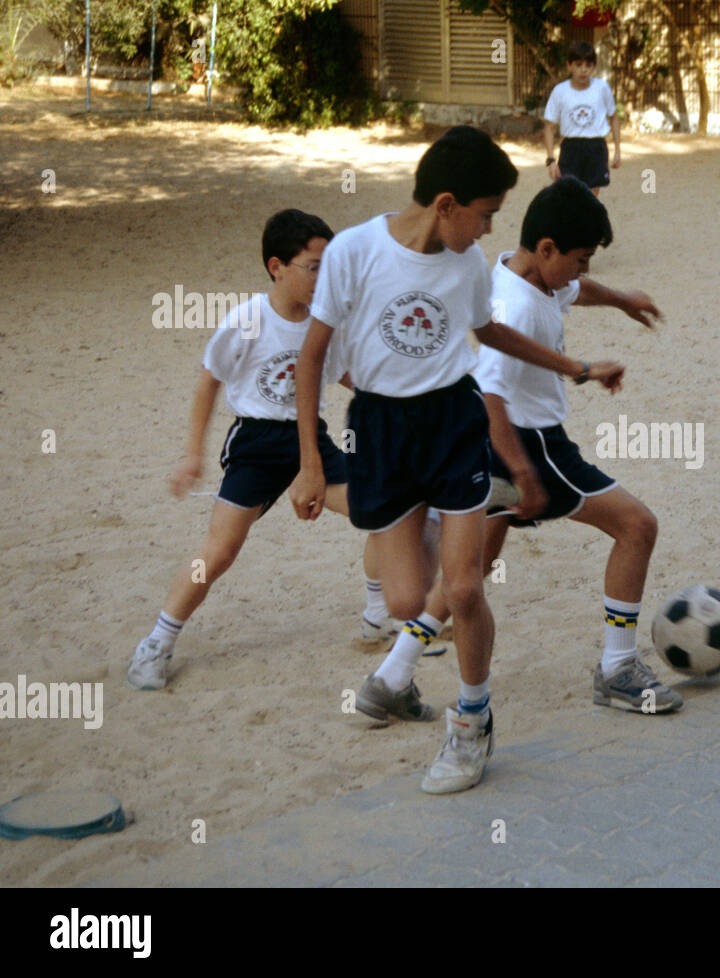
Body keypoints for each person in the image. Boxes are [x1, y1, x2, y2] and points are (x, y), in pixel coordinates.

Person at [289, 127, 624, 795]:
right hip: (382, 430)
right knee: (410, 601)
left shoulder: (470, 264)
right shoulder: (355, 251)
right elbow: (313, 358)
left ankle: (472, 722)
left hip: (452, 422)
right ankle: (402, 678)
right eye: (487, 213)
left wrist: (576, 367)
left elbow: (489, 331)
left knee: (465, 588)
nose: (492, 228)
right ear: (447, 204)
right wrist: (310, 462)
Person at [382, 177, 682, 715]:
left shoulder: (524, 271)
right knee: (637, 526)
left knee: (471, 570)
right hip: (530, 445)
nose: (585, 269)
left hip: (493, 448)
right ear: (547, 249)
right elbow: (491, 395)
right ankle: (617, 668)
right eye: (581, 258)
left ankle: (391, 675)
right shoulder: (514, 306)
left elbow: (572, 289)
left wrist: (622, 301)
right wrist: (524, 472)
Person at [128, 209, 392, 690]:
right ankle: (157, 643)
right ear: (277, 267)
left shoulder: (326, 321)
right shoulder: (247, 320)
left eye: (330, 267)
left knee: (379, 512)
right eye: (314, 267)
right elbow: (209, 382)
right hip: (256, 442)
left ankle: (377, 616)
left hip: (311, 439)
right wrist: (194, 453)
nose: (324, 278)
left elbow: (346, 374)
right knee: (220, 550)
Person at [543, 41, 620, 196]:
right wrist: (551, 159)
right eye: (578, 65)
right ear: (569, 65)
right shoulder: (560, 91)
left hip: (595, 147)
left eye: (588, 65)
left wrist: (618, 149)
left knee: (592, 196)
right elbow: (549, 126)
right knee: (569, 195)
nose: (583, 70)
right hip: (571, 148)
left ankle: (589, 220)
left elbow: (613, 117)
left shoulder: (602, 88)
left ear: (594, 67)